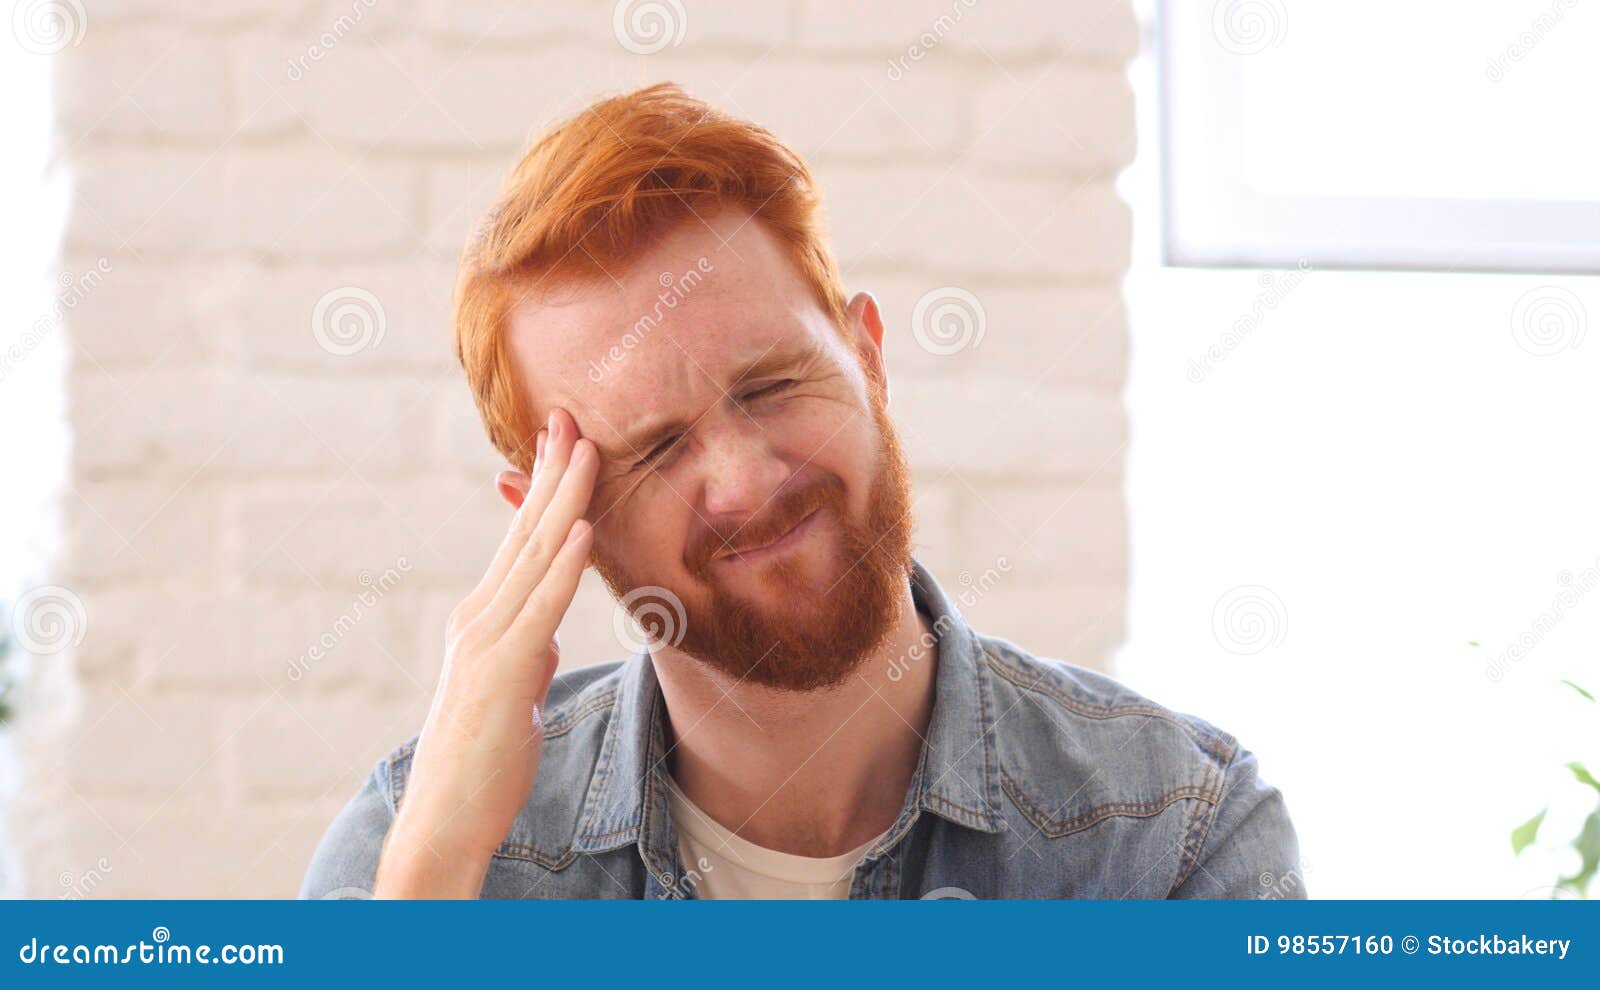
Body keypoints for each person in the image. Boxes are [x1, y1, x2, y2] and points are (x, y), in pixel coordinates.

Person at [301, 83, 1300, 900]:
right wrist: (436, 868)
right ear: (555, 520)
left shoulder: (1175, 832)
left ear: (866, 357)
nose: (745, 482)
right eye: (654, 450)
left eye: (773, 386)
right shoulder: (423, 846)